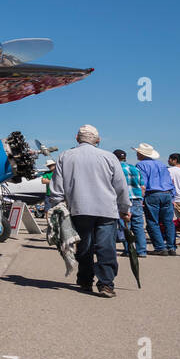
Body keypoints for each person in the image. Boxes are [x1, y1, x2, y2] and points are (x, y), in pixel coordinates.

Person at [48, 125, 131, 297]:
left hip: (80, 208)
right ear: (98, 140)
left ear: (77, 138)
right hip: (107, 209)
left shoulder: (65, 156)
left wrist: (57, 205)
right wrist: (124, 208)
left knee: (85, 246)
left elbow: (56, 187)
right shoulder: (109, 157)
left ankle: (85, 280)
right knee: (106, 246)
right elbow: (121, 186)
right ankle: (106, 284)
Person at [134, 143, 177, 256]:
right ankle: (171, 247)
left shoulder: (140, 165)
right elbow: (170, 181)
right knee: (168, 221)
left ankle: (160, 247)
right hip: (167, 193)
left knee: (153, 222)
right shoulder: (162, 165)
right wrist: (173, 196)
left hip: (152, 194)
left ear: (141, 154)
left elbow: (143, 183)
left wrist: (140, 198)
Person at [113, 149, 148, 258]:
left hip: (123, 199)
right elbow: (142, 186)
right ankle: (142, 250)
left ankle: (129, 249)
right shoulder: (135, 168)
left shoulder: (116, 168)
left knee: (125, 226)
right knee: (138, 226)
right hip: (137, 198)